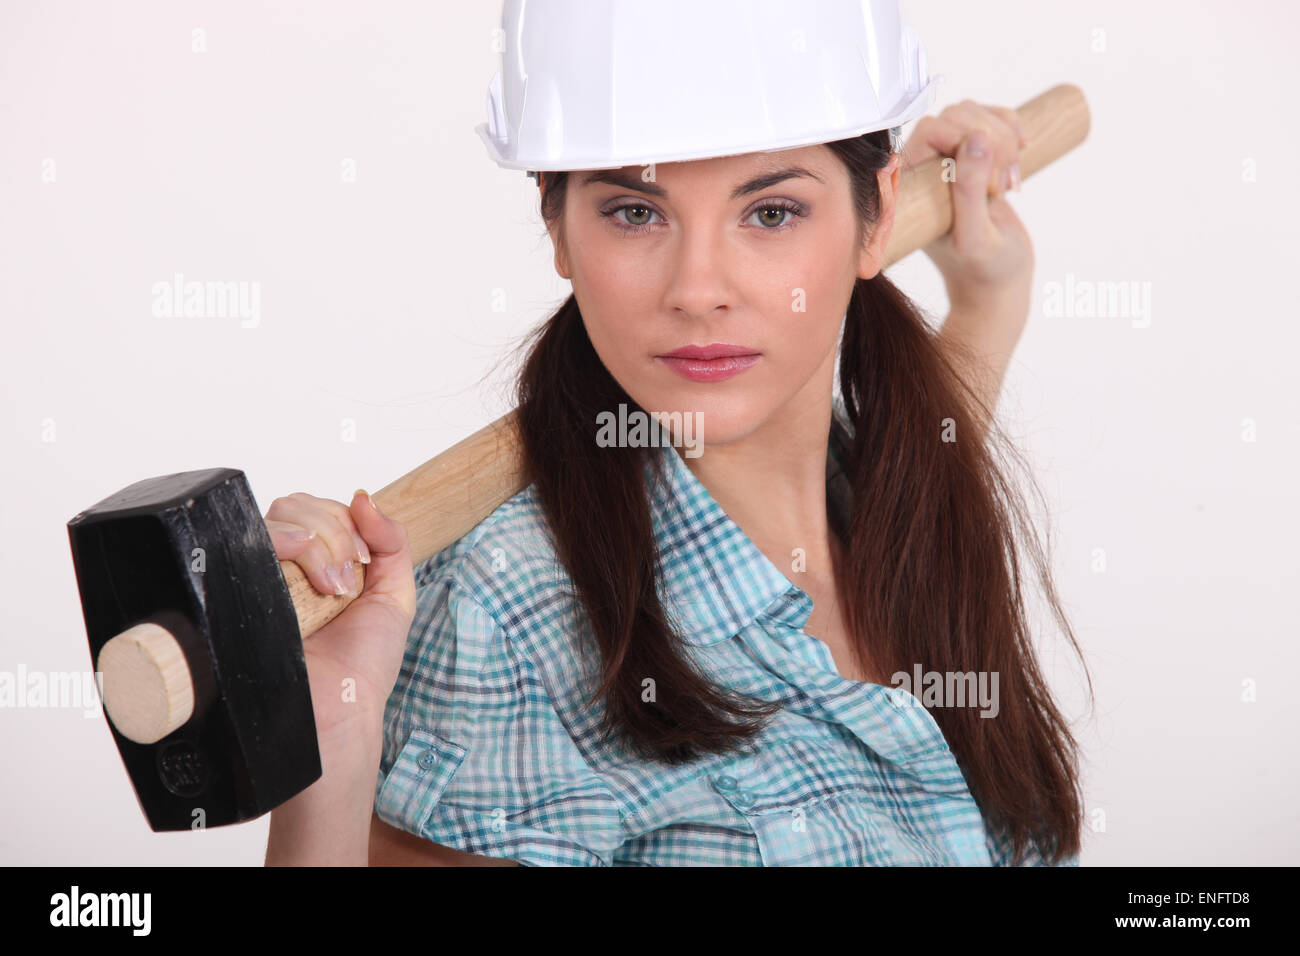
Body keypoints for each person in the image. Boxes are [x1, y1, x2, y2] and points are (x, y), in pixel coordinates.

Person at [261, 98, 1089, 866]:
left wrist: (989, 294)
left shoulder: (887, 505)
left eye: (771, 212)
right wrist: (331, 735)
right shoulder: (497, 621)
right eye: (635, 212)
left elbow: (928, 470)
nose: (697, 291)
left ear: (876, 215)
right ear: (555, 221)